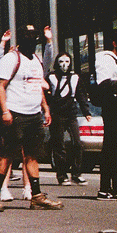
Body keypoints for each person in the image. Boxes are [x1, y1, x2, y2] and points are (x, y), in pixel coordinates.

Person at [0, 26, 61, 211]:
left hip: (34, 115)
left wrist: (45, 108)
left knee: (32, 156)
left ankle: (36, 196)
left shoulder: (36, 60)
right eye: (27, 36)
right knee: (7, 156)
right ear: (20, 39)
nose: (31, 39)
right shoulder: (11, 58)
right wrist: (5, 111)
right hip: (15, 115)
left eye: (34, 36)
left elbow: (37, 86)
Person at [92, 29, 117, 199]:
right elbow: (104, 84)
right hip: (112, 107)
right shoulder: (105, 59)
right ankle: (104, 188)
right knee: (110, 147)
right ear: (114, 43)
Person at [46, 53, 84, 187]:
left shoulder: (75, 77)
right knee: (59, 145)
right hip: (57, 114)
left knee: (77, 143)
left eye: (67, 61)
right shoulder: (51, 77)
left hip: (71, 114)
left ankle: (76, 174)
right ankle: (62, 175)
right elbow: (45, 94)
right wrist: (47, 110)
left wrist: (86, 112)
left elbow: (81, 95)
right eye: (61, 61)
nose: (64, 64)